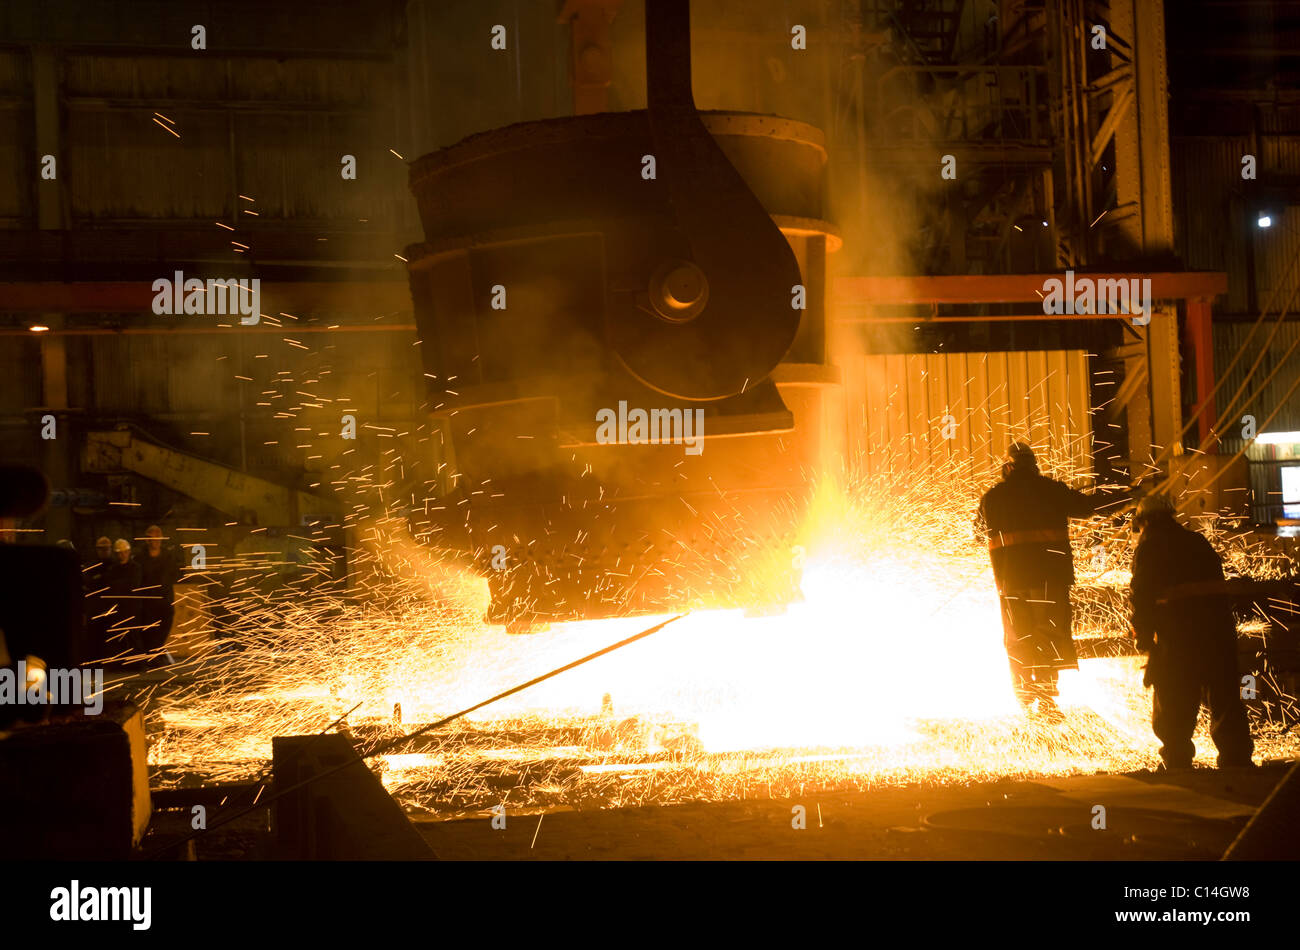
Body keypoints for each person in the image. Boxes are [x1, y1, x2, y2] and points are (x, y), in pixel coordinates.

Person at [976, 442, 1108, 713]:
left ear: (1008, 467)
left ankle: (1025, 698)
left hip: (1011, 582)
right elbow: (1086, 508)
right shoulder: (1051, 489)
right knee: (1047, 633)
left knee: (1017, 636)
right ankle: (1047, 697)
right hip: (1050, 579)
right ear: (1033, 466)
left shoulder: (992, 497)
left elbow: (978, 534)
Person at [1129, 493, 1254, 769]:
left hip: (1179, 632)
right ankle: (1237, 758)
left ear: (1144, 521)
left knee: (1174, 692)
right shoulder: (1197, 540)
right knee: (1224, 693)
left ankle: (1177, 758)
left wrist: (1144, 635)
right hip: (1218, 629)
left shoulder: (1149, 545)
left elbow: (1141, 594)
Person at [136, 525, 180, 665]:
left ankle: (156, 653)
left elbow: (174, 573)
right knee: (149, 627)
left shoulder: (167, 556)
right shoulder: (140, 558)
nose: (154, 541)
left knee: (164, 625)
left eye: (156, 538)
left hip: (164, 598)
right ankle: (151, 655)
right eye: (150, 538)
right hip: (148, 599)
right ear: (147, 540)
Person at [105, 538, 143, 657]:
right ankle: (119, 661)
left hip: (131, 607)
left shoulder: (135, 568)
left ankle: (137, 660)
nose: (122, 555)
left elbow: (133, 585)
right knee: (118, 635)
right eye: (119, 553)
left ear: (128, 552)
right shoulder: (113, 569)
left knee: (133, 634)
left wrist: (118, 585)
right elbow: (111, 585)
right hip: (118, 607)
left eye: (124, 552)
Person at [84, 536, 114, 658]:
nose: (104, 551)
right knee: (95, 636)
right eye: (101, 549)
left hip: (110, 606)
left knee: (109, 636)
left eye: (106, 549)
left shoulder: (114, 565)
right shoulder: (92, 566)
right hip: (96, 607)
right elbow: (88, 583)